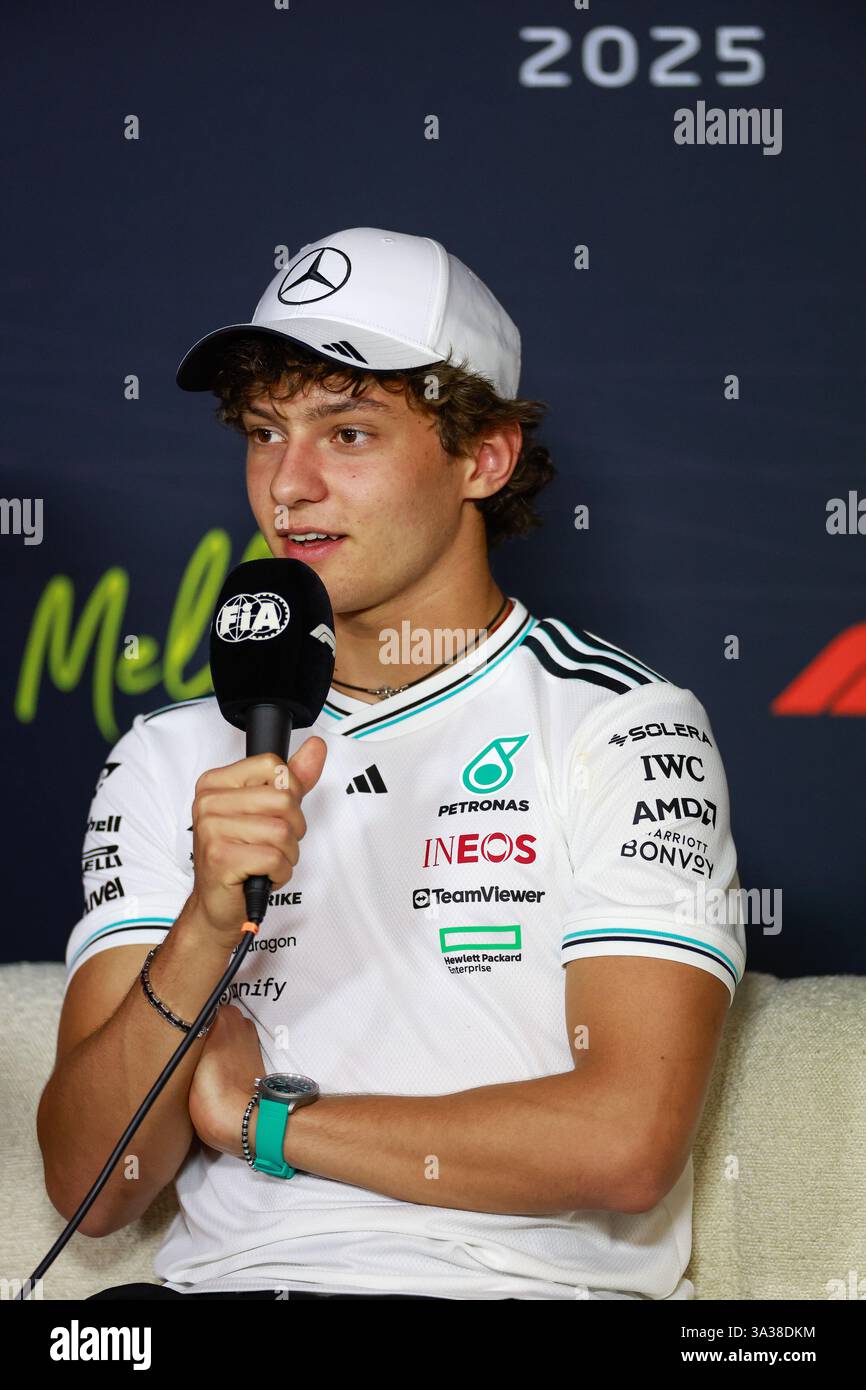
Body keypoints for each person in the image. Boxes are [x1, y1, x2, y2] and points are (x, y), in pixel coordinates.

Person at [39, 227, 745, 1300]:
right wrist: (201, 923)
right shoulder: (171, 752)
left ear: (484, 456)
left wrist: (262, 1120)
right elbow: (94, 1190)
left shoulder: (622, 723)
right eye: (264, 432)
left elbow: (624, 1141)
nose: (289, 485)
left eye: (349, 432)